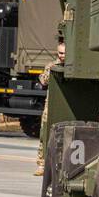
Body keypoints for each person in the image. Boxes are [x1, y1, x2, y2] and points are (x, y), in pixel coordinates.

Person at [35, 37, 65, 176]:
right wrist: (50, 71)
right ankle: (41, 164)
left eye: (64, 53)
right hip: (51, 104)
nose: (61, 56)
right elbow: (43, 81)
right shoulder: (52, 65)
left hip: (64, 104)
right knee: (44, 133)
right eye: (60, 53)